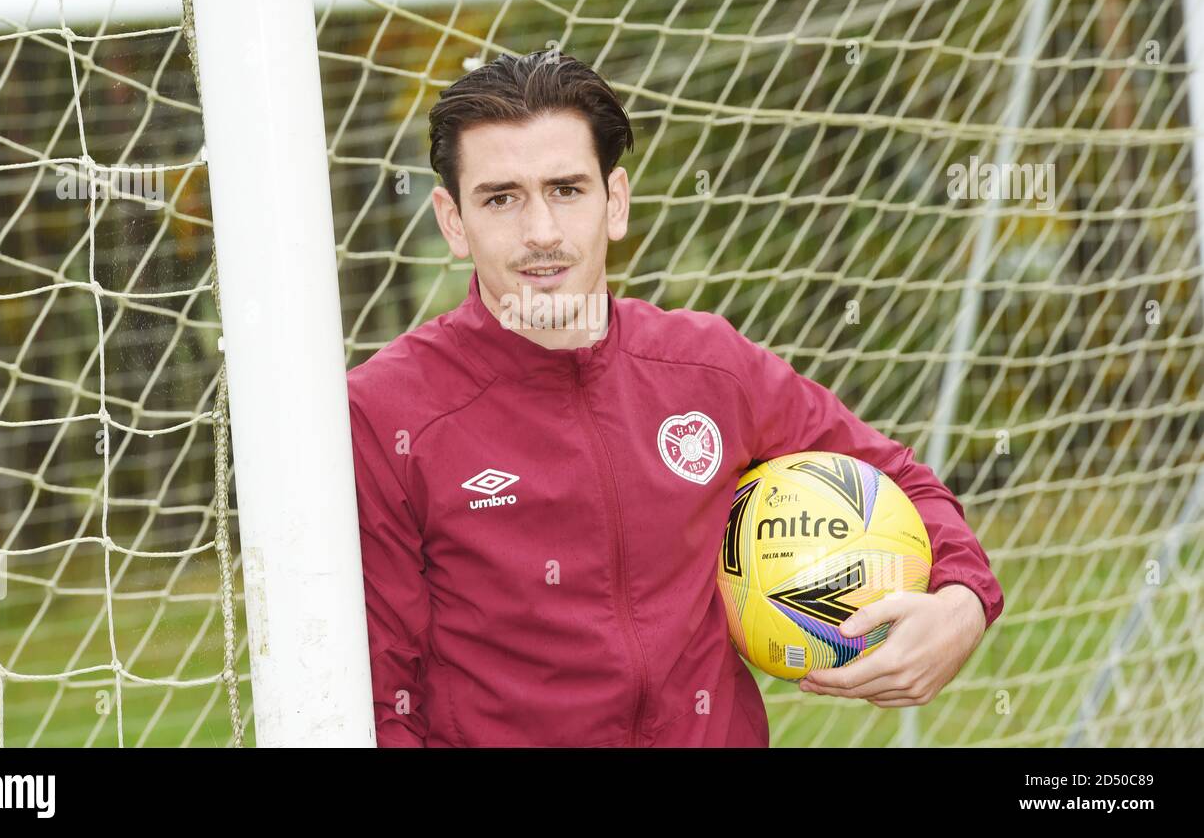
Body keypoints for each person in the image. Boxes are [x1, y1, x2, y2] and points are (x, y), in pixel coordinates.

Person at [346, 49, 1004, 747]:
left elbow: (902, 481)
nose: (540, 231)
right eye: (501, 197)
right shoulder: (388, 412)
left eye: (567, 189)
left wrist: (963, 604)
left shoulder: (708, 367)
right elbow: (385, 693)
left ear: (616, 201)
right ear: (452, 220)